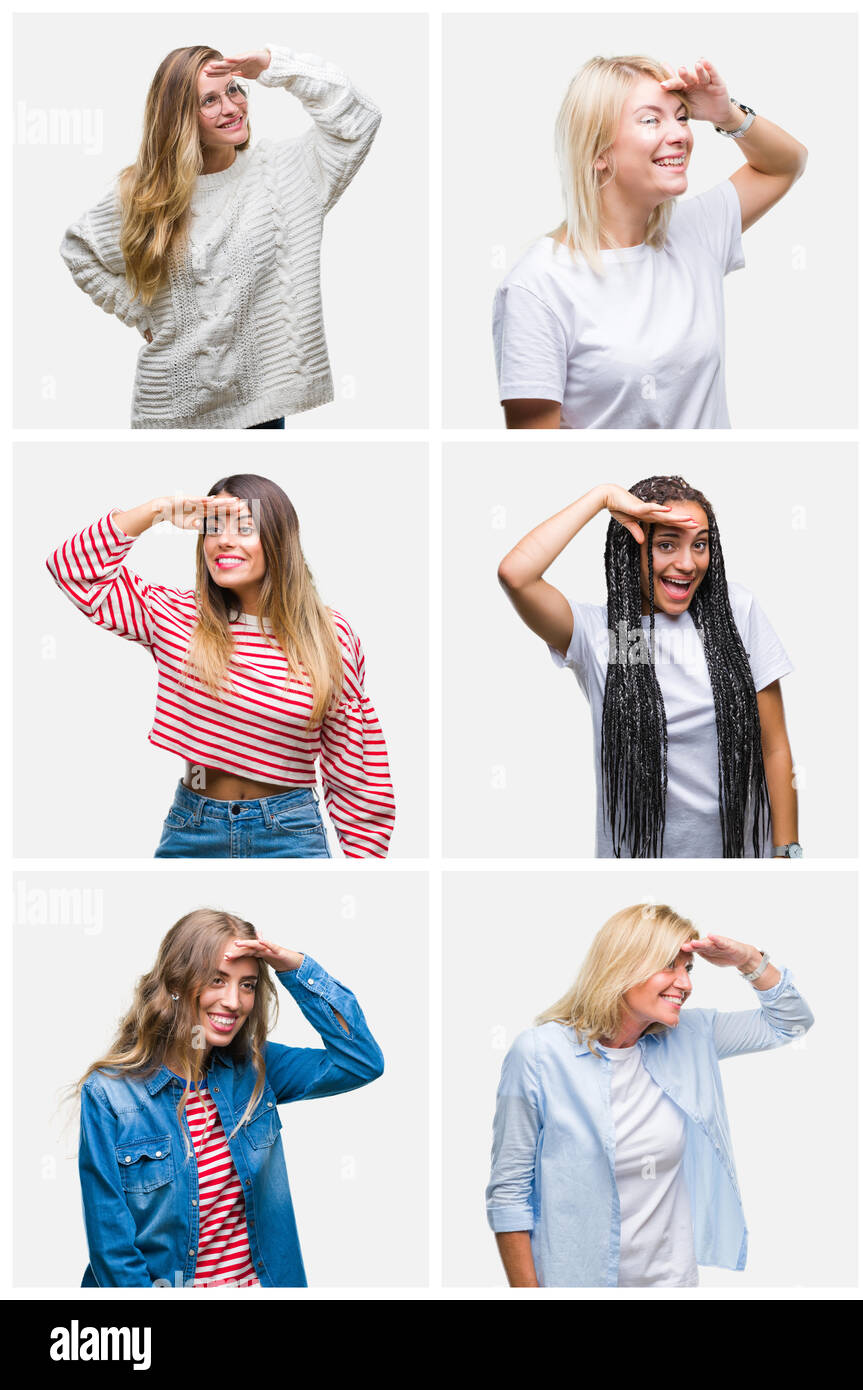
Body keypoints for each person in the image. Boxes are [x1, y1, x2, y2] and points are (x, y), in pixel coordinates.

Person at [46, 475, 397, 858]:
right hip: (193, 826)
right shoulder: (176, 615)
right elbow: (71, 568)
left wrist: (366, 870)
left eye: (245, 528)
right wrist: (158, 510)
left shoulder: (330, 636)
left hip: (290, 830)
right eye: (213, 528)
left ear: (279, 540)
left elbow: (353, 763)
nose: (224, 540)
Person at [486, 903, 813, 1286]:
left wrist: (749, 960)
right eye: (669, 966)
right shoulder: (540, 1054)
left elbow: (791, 1022)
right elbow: (509, 1194)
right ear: (624, 966)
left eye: (687, 969)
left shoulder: (691, 1036)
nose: (686, 984)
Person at [60, 45, 380, 429]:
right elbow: (79, 250)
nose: (230, 107)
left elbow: (360, 118)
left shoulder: (286, 173)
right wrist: (138, 312)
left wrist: (273, 66)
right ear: (178, 118)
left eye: (233, 90)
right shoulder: (144, 193)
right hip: (170, 410)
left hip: (261, 409)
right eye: (208, 100)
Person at [492, 55, 807, 428]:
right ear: (598, 153)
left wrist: (726, 115)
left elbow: (786, 163)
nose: (680, 135)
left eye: (682, 116)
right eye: (651, 120)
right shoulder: (537, 286)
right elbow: (535, 455)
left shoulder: (697, 231)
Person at [76, 910, 384, 1287]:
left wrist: (296, 968)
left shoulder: (256, 1066)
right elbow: (112, 1252)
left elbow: (360, 1061)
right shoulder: (109, 1094)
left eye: (248, 985)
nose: (234, 1001)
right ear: (177, 983)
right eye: (217, 980)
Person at [497, 475, 799, 857]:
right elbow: (516, 574)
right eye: (666, 545)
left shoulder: (736, 612)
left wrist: (787, 854)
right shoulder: (600, 634)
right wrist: (601, 497)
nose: (687, 563)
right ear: (633, 547)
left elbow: (774, 746)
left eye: (700, 545)